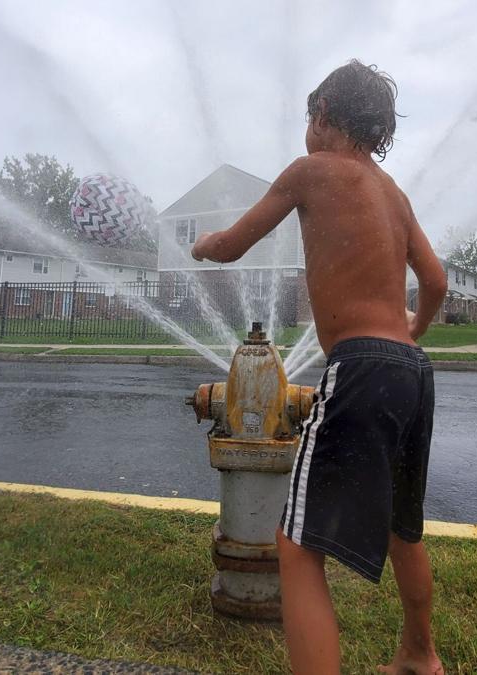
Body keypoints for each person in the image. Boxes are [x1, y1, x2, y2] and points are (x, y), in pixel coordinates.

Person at [192, 60, 448, 675]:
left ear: (323, 117)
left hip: (359, 368)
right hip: (412, 369)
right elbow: (434, 281)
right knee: (402, 528)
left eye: (310, 116)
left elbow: (231, 246)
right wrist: (410, 333)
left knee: (298, 547)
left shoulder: (310, 170)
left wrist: (203, 244)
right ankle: (420, 654)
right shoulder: (395, 193)